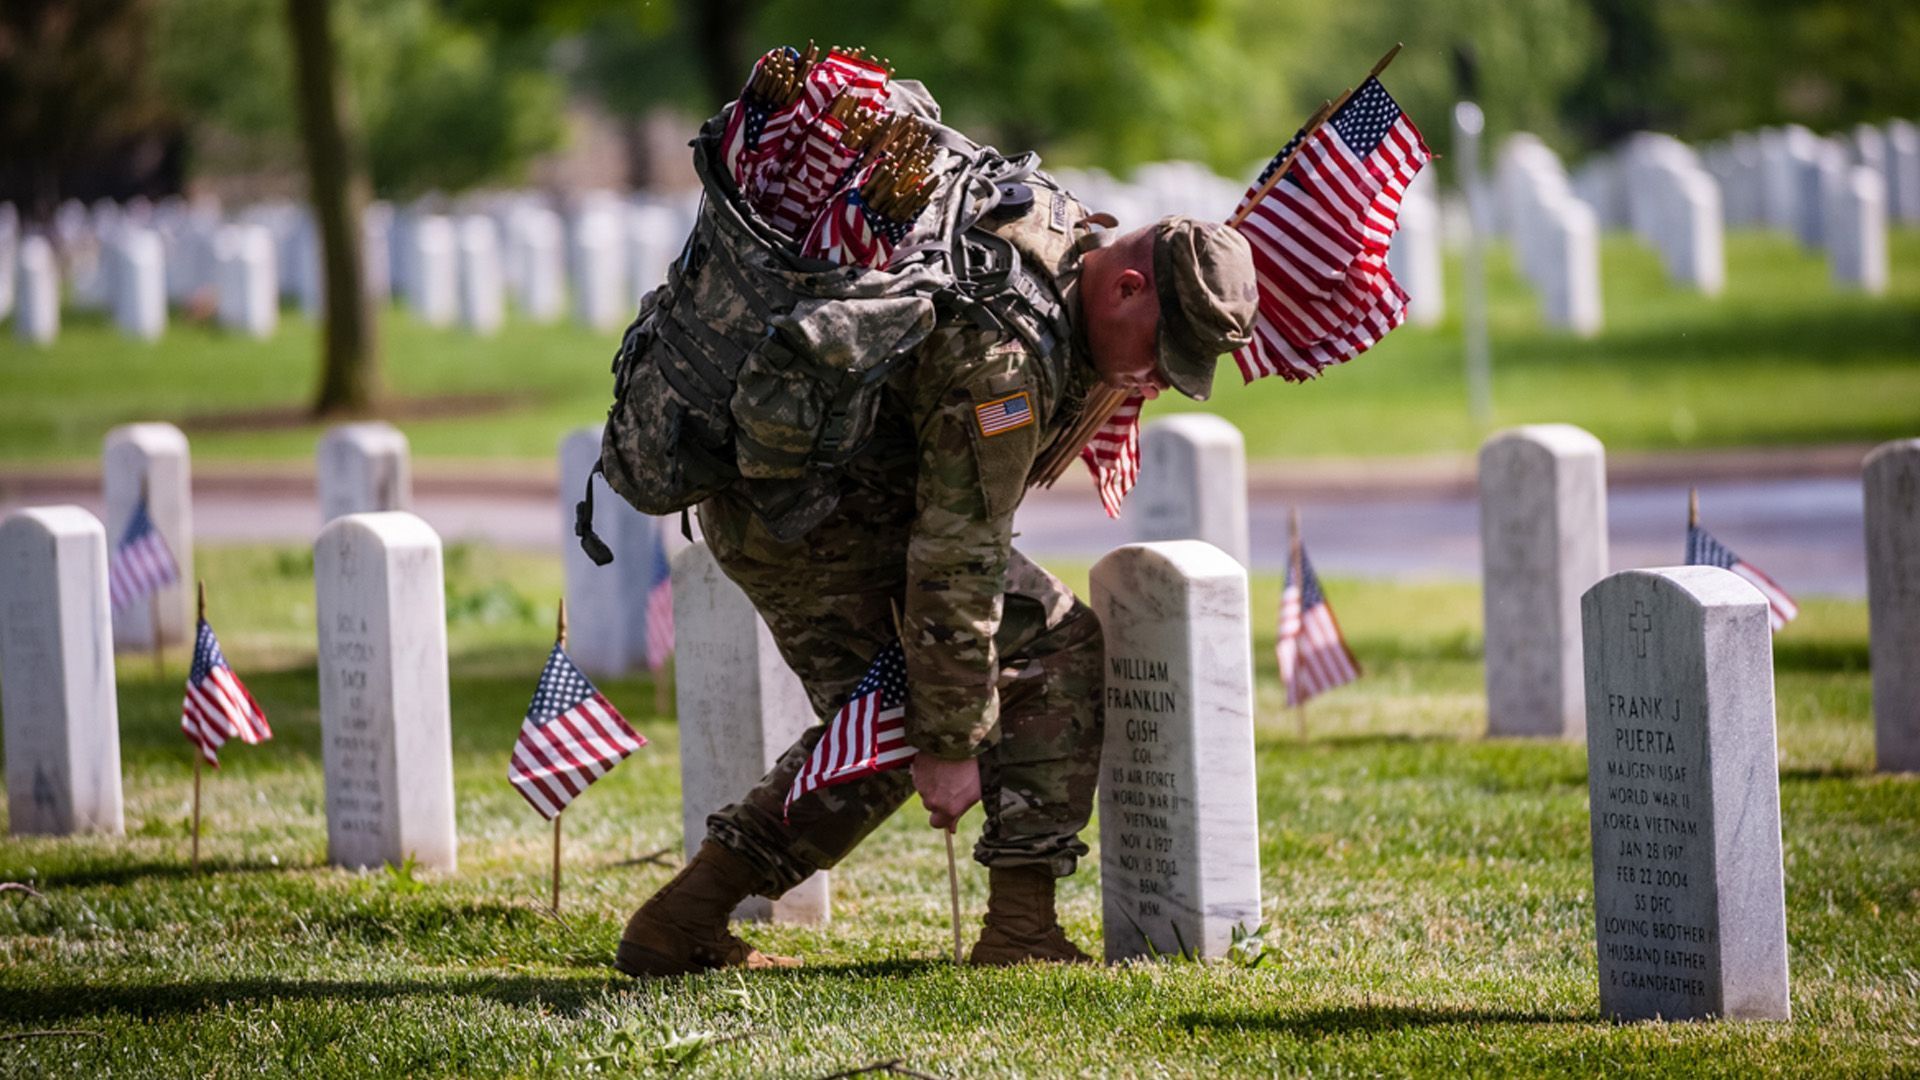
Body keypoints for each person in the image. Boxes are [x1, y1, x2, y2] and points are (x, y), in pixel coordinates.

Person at [615, 198, 1258, 976]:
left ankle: (1012, 926)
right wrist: (950, 742)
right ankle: (694, 920)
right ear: (1127, 289)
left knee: (1016, 658)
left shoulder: (1051, 249)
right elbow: (957, 558)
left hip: (831, 500)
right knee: (906, 713)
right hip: (809, 520)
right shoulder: (1004, 360)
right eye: (1162, 353)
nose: (1156, 383)